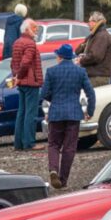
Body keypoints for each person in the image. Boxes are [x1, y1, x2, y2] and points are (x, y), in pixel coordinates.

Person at [39, 44, 95, 190]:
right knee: (69, 148)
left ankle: (53, 170)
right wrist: (90, 111)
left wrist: (55, 100)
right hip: (74, 114)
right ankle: (63, 180)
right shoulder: (80, 71)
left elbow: (43, 94)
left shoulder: (51, 71)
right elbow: (90, 93)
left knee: (53, 144)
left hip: (56, 113)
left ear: (60, 57)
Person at [8, 19, 43, 150]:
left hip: (22, 83)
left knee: (21, 113)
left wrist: (16, 76)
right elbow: (25, 62)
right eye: (34, 28)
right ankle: (29, 143)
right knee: (30, 114)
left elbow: (13, 63)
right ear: (27, 29)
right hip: (31, 82)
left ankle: (18, 143)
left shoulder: (17, 42)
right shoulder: (30, 43)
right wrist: (19, 76)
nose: (36, 30)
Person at [78, 11, 111, 85]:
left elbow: (95, 56)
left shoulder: (102, 36)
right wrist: (85, 45)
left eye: (89, 21)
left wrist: (81, 60)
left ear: (95, 22)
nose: (88, 24)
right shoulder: (94, 36)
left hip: (98, 77)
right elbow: (77, 51)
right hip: (95, 76)